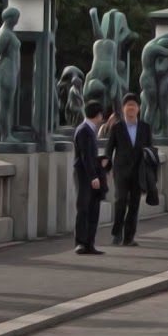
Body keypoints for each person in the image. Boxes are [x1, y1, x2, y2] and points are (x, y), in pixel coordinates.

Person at [103, 94, 152, 246]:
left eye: (134, 105)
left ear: (138, 108)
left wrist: (150, 166)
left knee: (135, 204)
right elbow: (109, 149)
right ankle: (117, 233)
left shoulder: (145, 127)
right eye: (128, 105)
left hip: (138, 170)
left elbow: (150, 148)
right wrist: (106, 165)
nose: (131, 108)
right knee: (120, 201)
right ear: (123, 108)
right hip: (121, 171)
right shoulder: (117, 127)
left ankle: (129, 237)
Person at [71, 101, 110, 255]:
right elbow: (85, 157)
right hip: (85, 176)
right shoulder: (84, 131)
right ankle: (81, 242)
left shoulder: (87, 129)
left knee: (93, 209)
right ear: (99, 114)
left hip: (90, 173)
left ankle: (89, 243)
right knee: (84, 208)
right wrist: (93, 176)